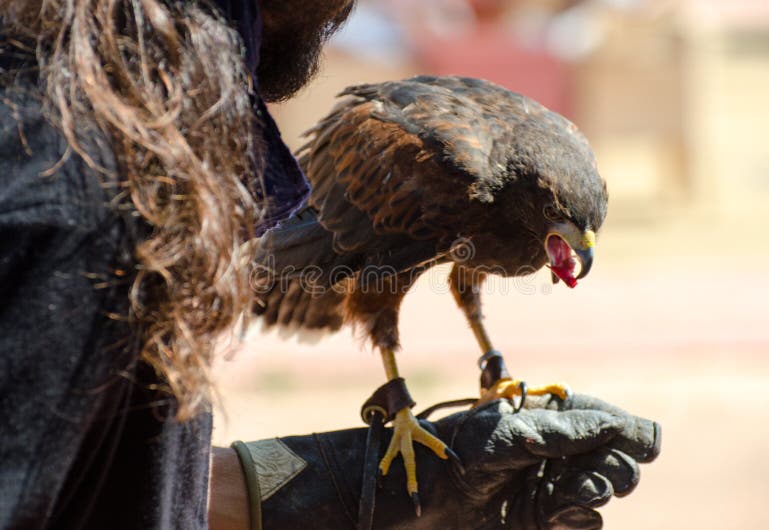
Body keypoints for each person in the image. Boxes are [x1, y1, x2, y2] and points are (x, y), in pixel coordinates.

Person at [0, 1, 660, 529]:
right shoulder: (72, 207)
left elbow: (86, 485)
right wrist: (397, 414)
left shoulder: (87, 166)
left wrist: (328, 486)